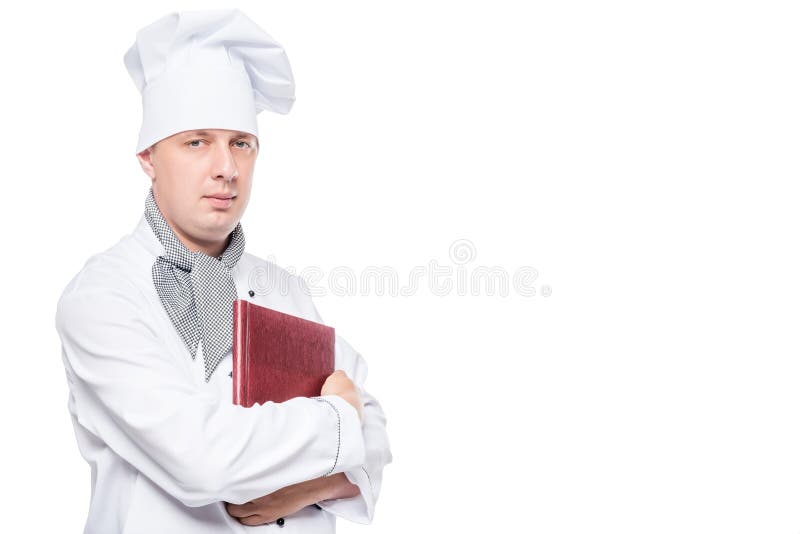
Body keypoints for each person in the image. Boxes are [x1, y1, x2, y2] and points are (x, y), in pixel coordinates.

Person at [54, 8, 392, 533]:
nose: (226, 168)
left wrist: (319, 483)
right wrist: (337, 422)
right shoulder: (101, 298)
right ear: (148, 156)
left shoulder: (287, 291)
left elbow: (377, 437)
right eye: (197, 141)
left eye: (242, 143)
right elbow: (202, 458)